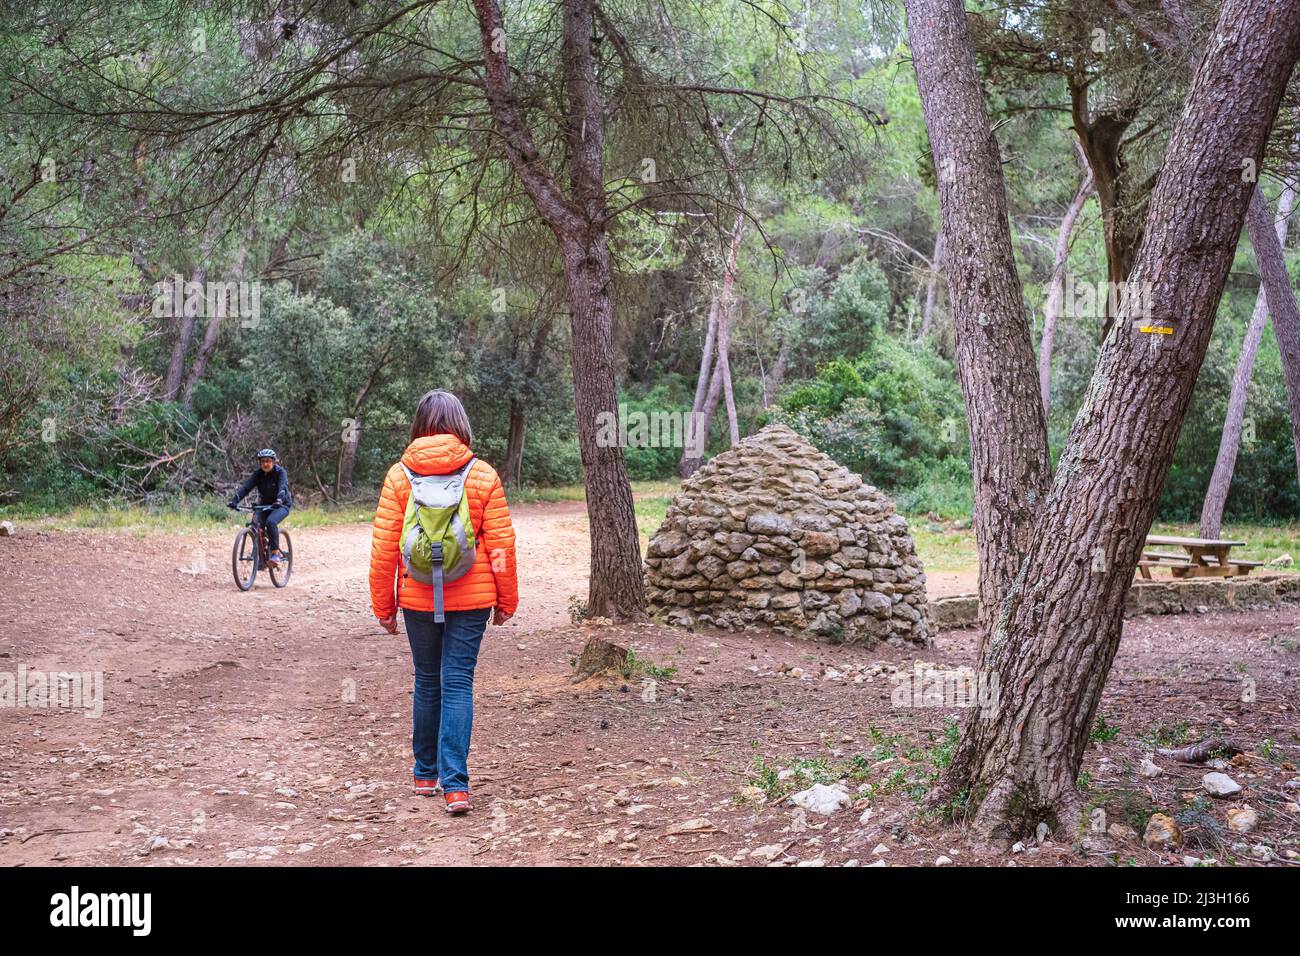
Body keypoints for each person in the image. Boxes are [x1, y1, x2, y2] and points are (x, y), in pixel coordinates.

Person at [369, 390, 518, 815]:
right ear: (461, 424)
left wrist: (384, 607)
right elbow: (502, 549)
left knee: (426, 680)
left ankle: (423, 775)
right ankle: (456, 787)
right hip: (471, 599)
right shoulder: (482, 475)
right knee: (457, 683)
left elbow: (383, 550)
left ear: (419, 424)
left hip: (416, 596)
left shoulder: (399, 477)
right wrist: (506, 600)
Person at [228, 448, 292, 567]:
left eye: (268, 461)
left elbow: (283, 487)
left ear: (274, 462)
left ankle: (275, 554)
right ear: (260, 463)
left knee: (271, 522)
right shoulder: (258, 474)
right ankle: (261, 560)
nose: (265, 464)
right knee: (255, 525)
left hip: (282, 504)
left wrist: (279, 500)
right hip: (265, 505)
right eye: (263, 461)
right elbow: (246, 487)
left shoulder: (280, 472)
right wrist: (234, 500)